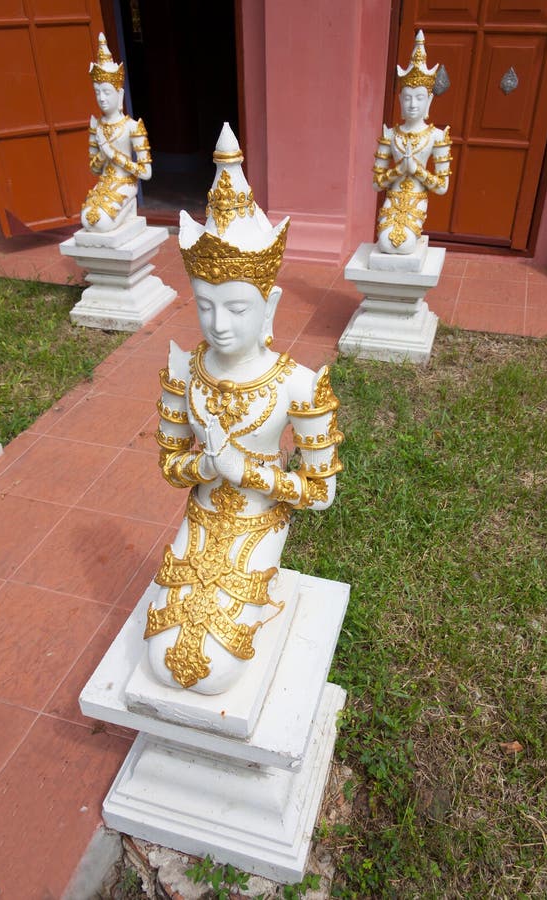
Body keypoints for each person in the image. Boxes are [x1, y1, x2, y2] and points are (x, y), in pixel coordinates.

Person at [144, 124, 343, 694]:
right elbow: (170, 465)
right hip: (201, 515)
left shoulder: (299, 386)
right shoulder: (186, 371)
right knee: (169, 661)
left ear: (270, 303)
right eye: (205, 306)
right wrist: (207, 467)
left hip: (261, 516)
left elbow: (321, 492)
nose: (219, 325)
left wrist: (247, 470)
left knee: (213, 671)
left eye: (236, 306)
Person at [373, 31, 452, 254]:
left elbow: (442, 187)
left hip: (417, 199)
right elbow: (376, 184)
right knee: (386, 243)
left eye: (419, 97)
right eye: (407, 97)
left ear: (429, 101)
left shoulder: (437, 136)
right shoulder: (390, 135)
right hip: (393, 199)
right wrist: (400, 169)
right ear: (399, 100)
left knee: (404, 245)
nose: (413, 104)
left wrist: (415, 169)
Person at [81, 33, 152, 232]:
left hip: (125, 182)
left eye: (107, 92)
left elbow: (146, 172)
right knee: (88, 218)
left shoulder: (132, 126)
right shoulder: (97, 125)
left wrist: (113, 154)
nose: (102, 98)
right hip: (104, 184)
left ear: (119, 94)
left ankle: (128, 207)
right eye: (97, 92)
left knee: (100, 223)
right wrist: (103, 154)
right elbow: (95, 170)